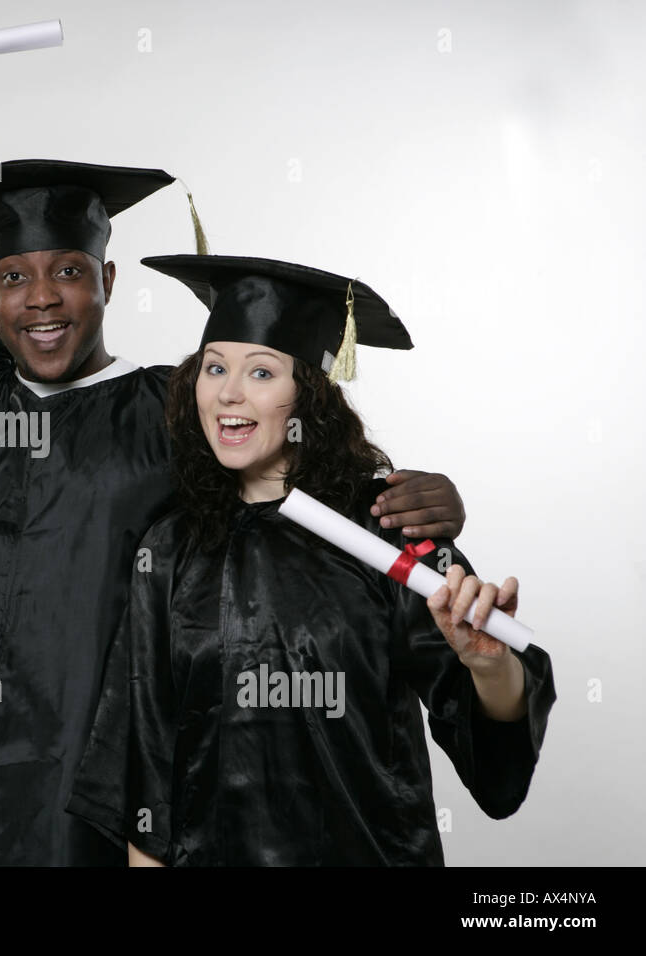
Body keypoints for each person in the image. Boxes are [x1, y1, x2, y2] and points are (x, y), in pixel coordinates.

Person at [0, 22, 469, 866]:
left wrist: (417, 505)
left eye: (69, 270)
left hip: (111, 799)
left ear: (106, 279)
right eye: (13, 276)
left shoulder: (169, 407)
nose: (43, 298)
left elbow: (290, 471)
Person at [68, 255, 556, 865]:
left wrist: (487, 666)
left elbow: (491, 730)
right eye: (213, 368)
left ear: (309, 395)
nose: (229, 392)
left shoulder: (388, 532)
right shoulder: (169, 548)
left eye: (262, 372)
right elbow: (146, 763)